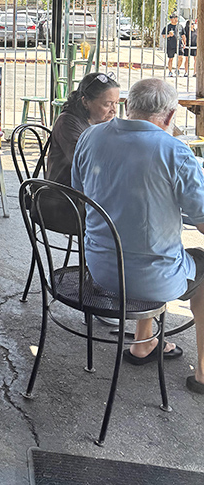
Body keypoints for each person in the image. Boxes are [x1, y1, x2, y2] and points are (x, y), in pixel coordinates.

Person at [71, 78, 204, 393]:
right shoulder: (175, 152)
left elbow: (80, 195)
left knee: (145, 244)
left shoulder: (90, 137)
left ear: (128, 107)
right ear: (170, 117)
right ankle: (203, 373)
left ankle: (143, 344)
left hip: (99, 270)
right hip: (148, 279)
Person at [46, 72, 120, 187]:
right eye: (107, 104)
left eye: (116, 103)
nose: (114, 110)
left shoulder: (100, 122)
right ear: (85, 101)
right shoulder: (68, 123)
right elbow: (86, 164)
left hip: (86, 190)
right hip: (65, 196)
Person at [161, 12, 184, 76]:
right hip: (170, 45)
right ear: (171, 19)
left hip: (179, 44)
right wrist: (169, 35)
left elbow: (183, 35)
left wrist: (184, 43)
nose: (176, 19)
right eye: (175, 18)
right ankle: (170, 71)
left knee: (181, 57)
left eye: (176, 17)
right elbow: (163, 35)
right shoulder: (168, 27)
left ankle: (177, 69)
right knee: (171, 58)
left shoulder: (180, 26)